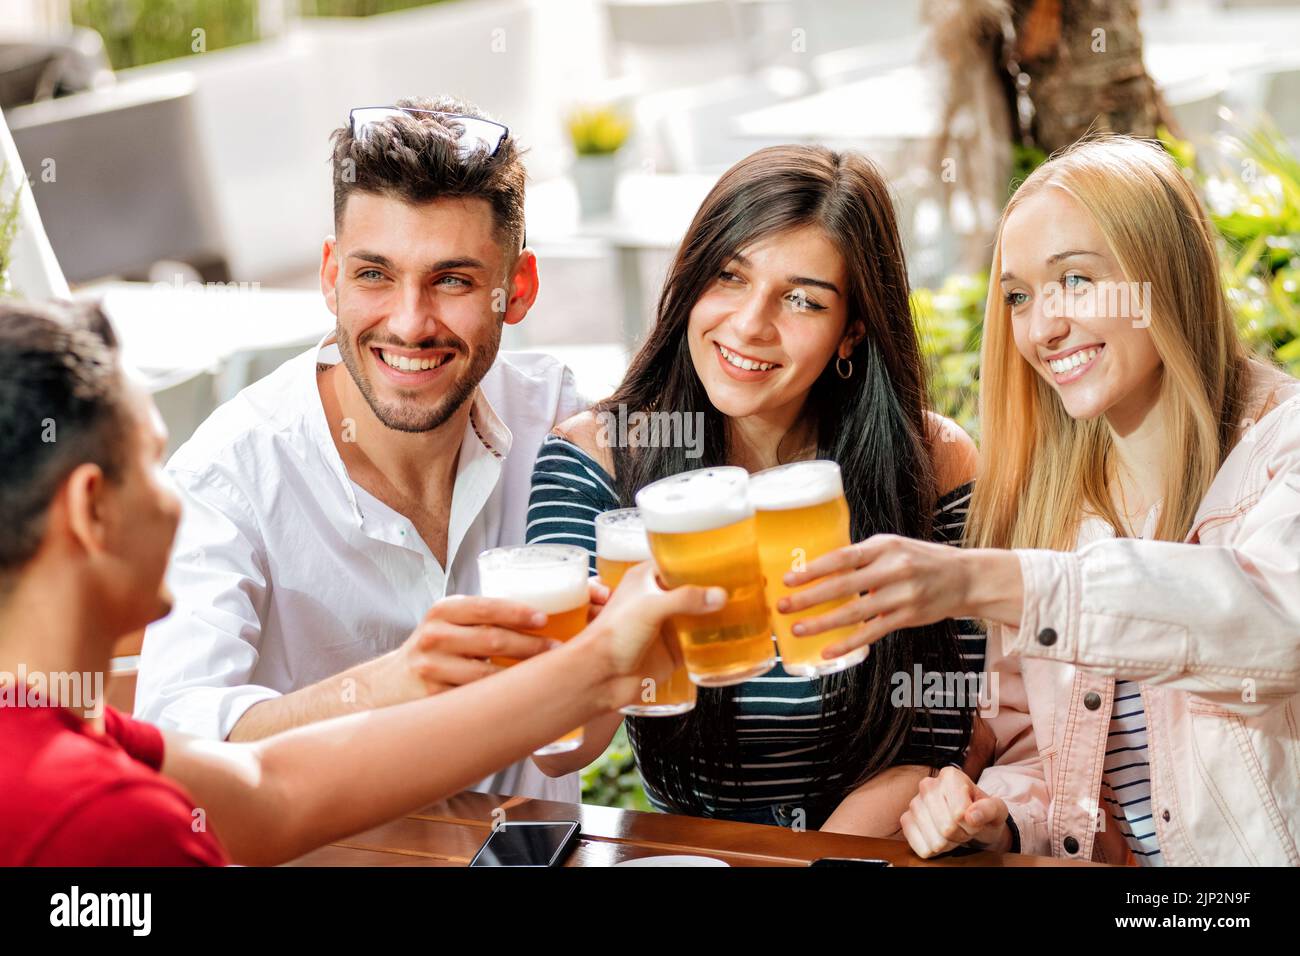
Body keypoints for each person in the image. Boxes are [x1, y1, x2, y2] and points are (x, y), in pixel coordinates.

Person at [0, 300, 718, 865]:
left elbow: (272, 794)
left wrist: (593, 665)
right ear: (91, 509)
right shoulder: (110, 819)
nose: (175, 495)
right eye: (152, 463)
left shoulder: (77, 735)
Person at [785, 136, 1300, 865]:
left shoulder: (1284, 445)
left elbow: (1274, 625)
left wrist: (985, 580)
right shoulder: (1051, 502)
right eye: (1019, 297)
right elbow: (1040, 752)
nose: (1042, 328)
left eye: (1076, 280)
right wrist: (1000, 817)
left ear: (1165, 272)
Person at [133, 96, 586, 802]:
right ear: (331, 276)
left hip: (531, 850)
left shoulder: (552, 415)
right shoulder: (230, 474)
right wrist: (388, 685)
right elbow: (173, 754)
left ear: (517, 288)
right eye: (374, 274)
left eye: (453, 280)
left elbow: (572, 740)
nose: (410, 323)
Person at [525, 144, 988, 834]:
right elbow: (559, 748)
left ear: (851, 332)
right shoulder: (598, 457)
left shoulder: (933, 459)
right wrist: (622, 638)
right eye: (730, 276)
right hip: (695, 849)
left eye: (802, 299)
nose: (749, 324)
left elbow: (947, 732)